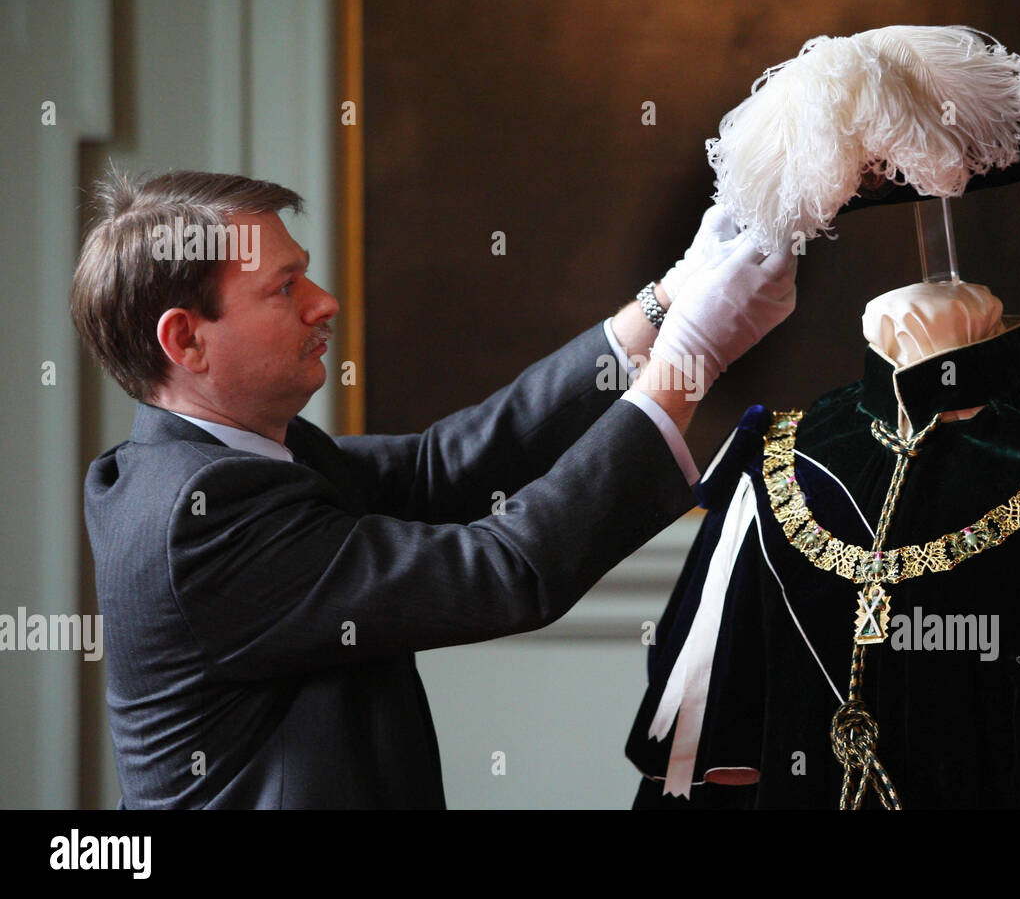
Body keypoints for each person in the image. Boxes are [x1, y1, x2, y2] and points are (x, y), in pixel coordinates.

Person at [70, 167, 795, 808]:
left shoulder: (231, 458)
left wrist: (668, 298)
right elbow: (503, 572)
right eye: (284, 288)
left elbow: (439, 468)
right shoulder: (199, 517)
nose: (324, 303)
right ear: (185, 340)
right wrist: (687, 365)